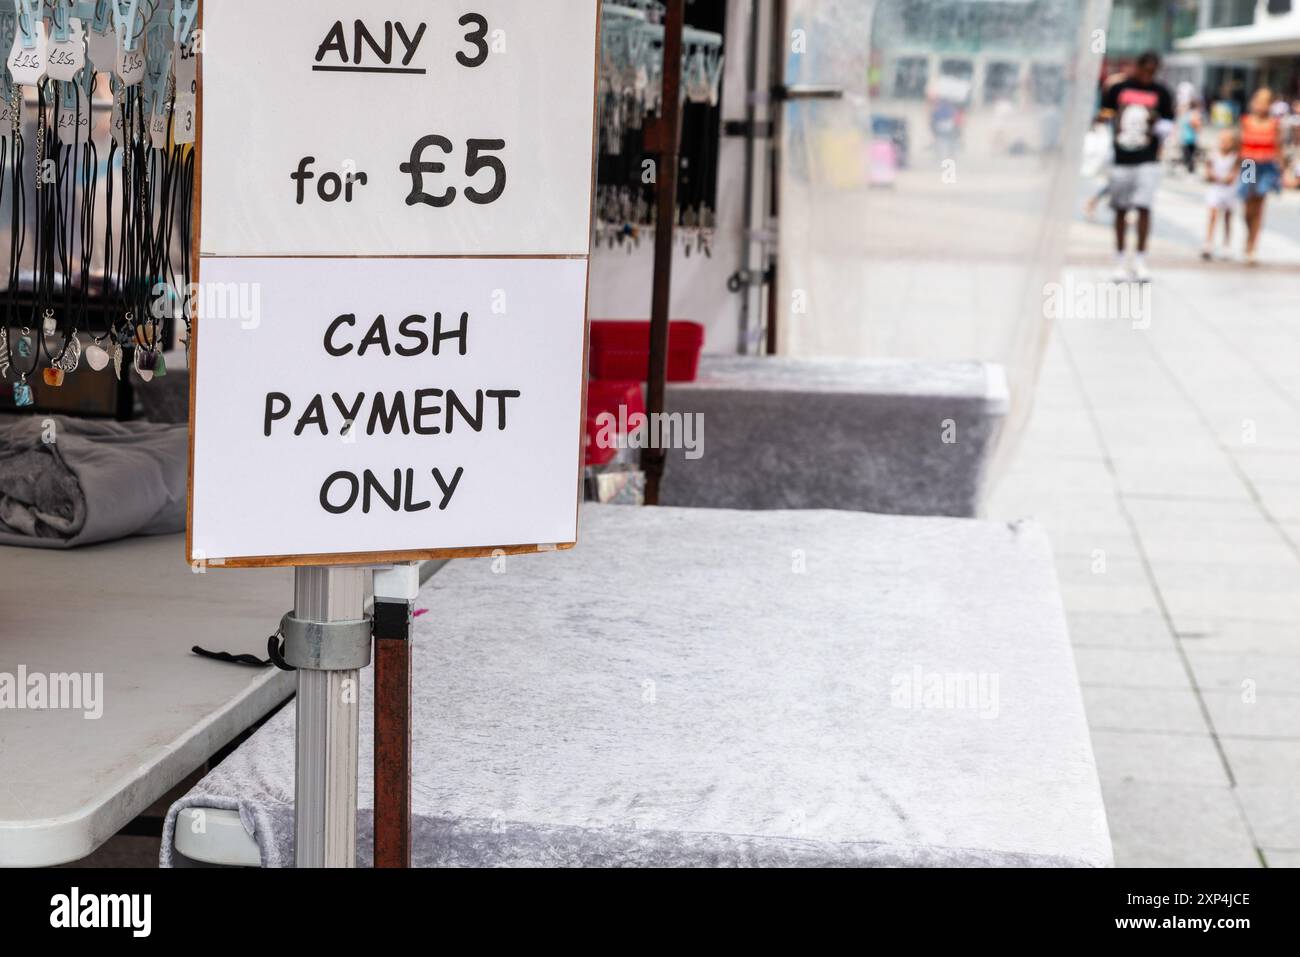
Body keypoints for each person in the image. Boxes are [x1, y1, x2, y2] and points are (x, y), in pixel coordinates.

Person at [1100, 51, 1175, 282]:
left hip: (1148, 158)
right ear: (1138, 67)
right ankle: (1120, 258)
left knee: (1143, 207)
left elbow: (1169, 125)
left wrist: (1157, 123)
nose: (1148, 75)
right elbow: (1104, 114)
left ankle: (1140, 258)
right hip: (1122, 157)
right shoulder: (1119, 88)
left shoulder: (1162, 92)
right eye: (1145, 69)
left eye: (1153, 71)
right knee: (1121, 209)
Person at [1239, 88, 1283, 265]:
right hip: (1249, 165)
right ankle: (1248, 235)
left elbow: (1279, 147)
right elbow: (1238, 145)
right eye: (1259, 101)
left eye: (1265, 102)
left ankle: (1252, 246)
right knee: (1247, 207)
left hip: (1266, 166)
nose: (1261, 106)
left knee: (1259, 205)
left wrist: (1281, 171)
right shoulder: (1246, 121)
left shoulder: (1274, 123)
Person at [1203, 129, 1239, 261]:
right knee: (1212, 215)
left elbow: (1234, 175)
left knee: (1228, 218)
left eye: (1227, 141)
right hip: (1216, 189)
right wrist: (1211, 175)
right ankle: (1208, 243)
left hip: (1229, 191)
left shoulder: (1236, 157)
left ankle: (1226, 244)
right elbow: (1208, 171)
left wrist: (1228, 178)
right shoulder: (1213, 155)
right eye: (1222, 140)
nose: (1223, 143)